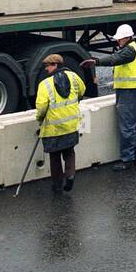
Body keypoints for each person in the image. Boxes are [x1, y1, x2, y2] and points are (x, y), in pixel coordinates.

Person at [82, 23, 136, 170]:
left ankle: (128, 160)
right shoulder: (131, 48)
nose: (118, 41)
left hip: (128, 91)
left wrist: (96, 61)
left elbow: (114, 59)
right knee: (133, 125)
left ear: (127, 37)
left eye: (120, 39)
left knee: (127, 127)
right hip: (130, 90)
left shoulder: (129, 50)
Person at [34, 54, 86, 194]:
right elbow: (82, 91)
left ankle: (57, 186)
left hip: (53, 128)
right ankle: (70, 175)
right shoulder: (74, 77)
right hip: (71, 124)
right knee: (69, 152)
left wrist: (40, 119)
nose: (46, 69)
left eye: (48, 65)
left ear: (56, 65)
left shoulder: (45, 84)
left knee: (55, 156)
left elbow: (41, 107)